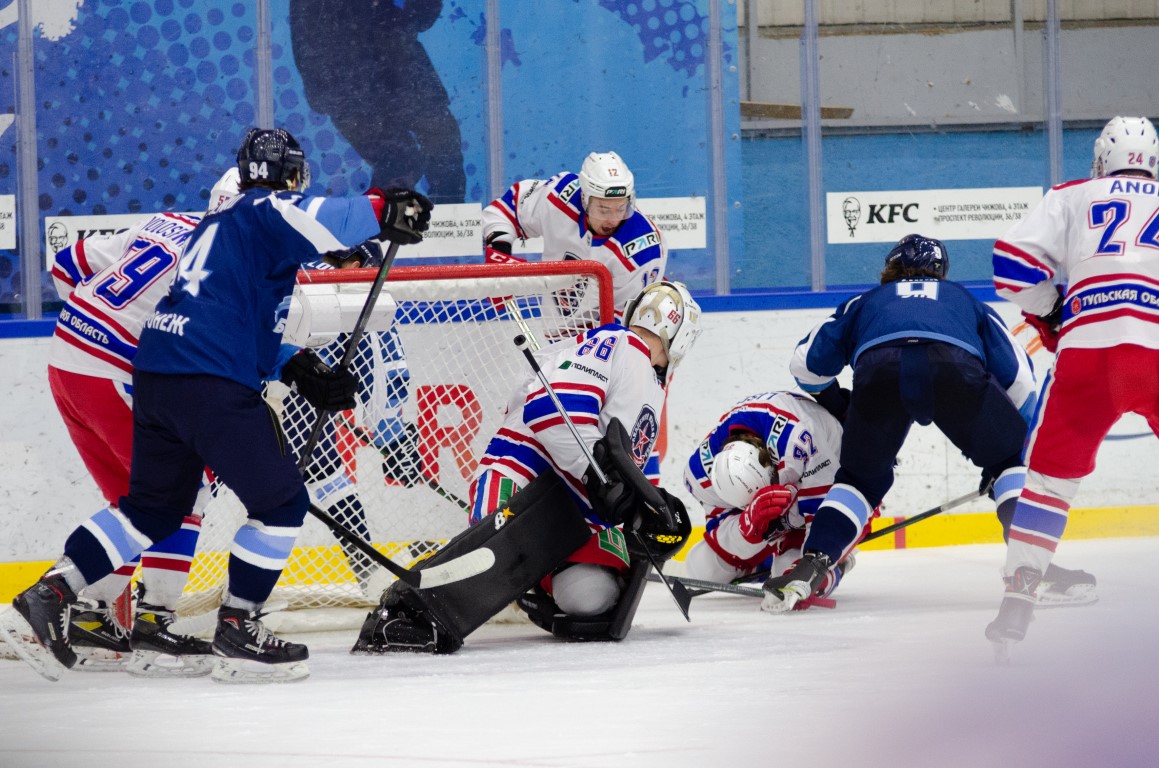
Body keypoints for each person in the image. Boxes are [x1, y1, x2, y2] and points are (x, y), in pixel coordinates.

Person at [0, 127, 432, 683]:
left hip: (156, 373)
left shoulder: (211, 230)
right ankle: (239, 626)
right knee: (279, 503)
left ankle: (51, 593)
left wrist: (296, 367)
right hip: (205, 380)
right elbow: (329, 218)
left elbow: (249, 325)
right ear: (289, 178)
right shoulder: (262, 211)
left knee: (153, 508)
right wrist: (386, 204)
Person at [352, 280, 701, 653]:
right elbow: (548, 410)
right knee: (474, 582)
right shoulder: (621, 344)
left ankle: (533, 592)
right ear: (681, 338)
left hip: (571, 517)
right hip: (522, 484)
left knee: (592, 601)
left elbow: (620, 464)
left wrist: (644, 510)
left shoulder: (647, 377)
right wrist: (595, 477)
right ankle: (406, 604)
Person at [39, 170, 242, 676]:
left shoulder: (168, 221)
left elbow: (67, 265)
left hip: (67, 359)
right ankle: (153, 624)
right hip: (110, 372)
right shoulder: (230, 261)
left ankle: (90, 617)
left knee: (132, 504)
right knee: (181, 493)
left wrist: (99, 330)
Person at [768, 234, 1037, 614]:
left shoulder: (865, 302)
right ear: (941, 271)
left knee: (859, 481)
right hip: (953, 366)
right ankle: (1032, 570)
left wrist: (837, 403)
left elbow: (805, 366)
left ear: (889, 268)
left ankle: (810, 566)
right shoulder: (963, 299)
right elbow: (1021, 382)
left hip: (880, 370)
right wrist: (1013, 450)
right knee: (1009, 461)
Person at [986, 115, 1159, 648]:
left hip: (1089, 350)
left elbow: (1011, 265)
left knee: (1048, 478)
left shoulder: (1073, 194)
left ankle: (1019, 599)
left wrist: (1056, 310)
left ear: (1102, 158)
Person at [680, 391, 856, 607]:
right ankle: (766, 563)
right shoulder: (699, 473)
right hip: (791, 500)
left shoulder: (799, 439)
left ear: (770, 466)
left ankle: (838, 565)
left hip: (837, 485)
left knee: (793, 579)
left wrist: (812, 569)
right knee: (701, 570)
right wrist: (748, 527)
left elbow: (824, 514)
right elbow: (720, 526)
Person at [290, 0, 466, 202]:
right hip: (352, 86)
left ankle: (451, 225)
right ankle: (384, 226)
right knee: (399, 160)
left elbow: (424, 16)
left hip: (405, 74)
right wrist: (329, 91)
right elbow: (305, 37)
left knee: (443, 145)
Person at [482, 151, 666, 321]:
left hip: (602, 344)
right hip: (554, 336)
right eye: (603, 209)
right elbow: (508, 209)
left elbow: (628, 327)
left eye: (620, 208)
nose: (613, 220)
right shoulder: (559, 196)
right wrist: (500, 252)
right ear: (584, 199)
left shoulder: (642, 250)